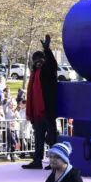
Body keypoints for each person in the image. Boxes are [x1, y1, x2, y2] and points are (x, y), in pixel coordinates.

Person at [23, 35, 59, 170]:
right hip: (37, 113)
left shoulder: (47, 72)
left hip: (47, 111)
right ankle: (37, 161)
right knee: (38, 139)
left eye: (40, 60)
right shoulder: (34, 74)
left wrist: (47, 50)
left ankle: (54, 163)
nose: (37, 62)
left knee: (52, 139)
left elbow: (53, 65)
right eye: (35, 60)